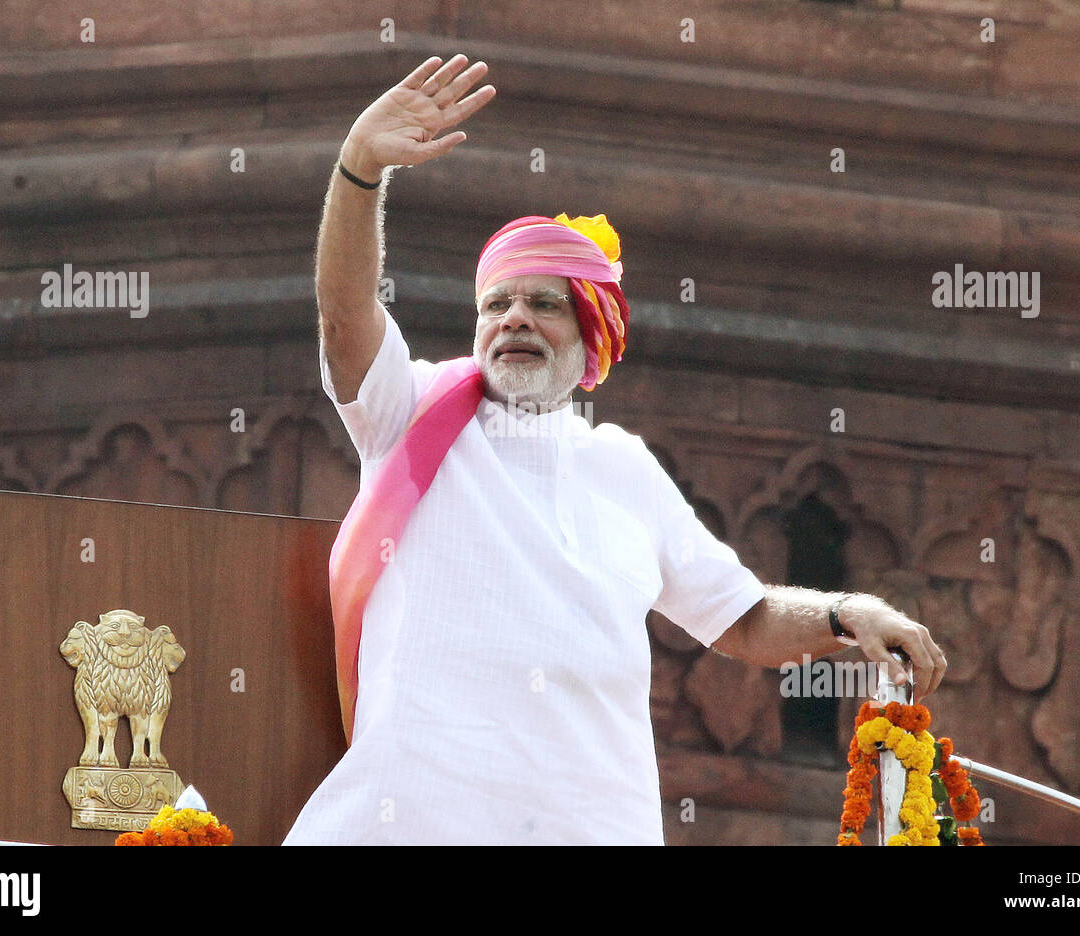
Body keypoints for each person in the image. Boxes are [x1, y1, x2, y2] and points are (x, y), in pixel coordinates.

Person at [283, 54, 947, 845]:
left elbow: (744, 620)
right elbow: (345, 313)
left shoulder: (622, 467)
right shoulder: (413, 412)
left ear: (591, 333)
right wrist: (361, 170)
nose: (515, 320)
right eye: (495, 304)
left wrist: (846, 611)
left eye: (543, 304)